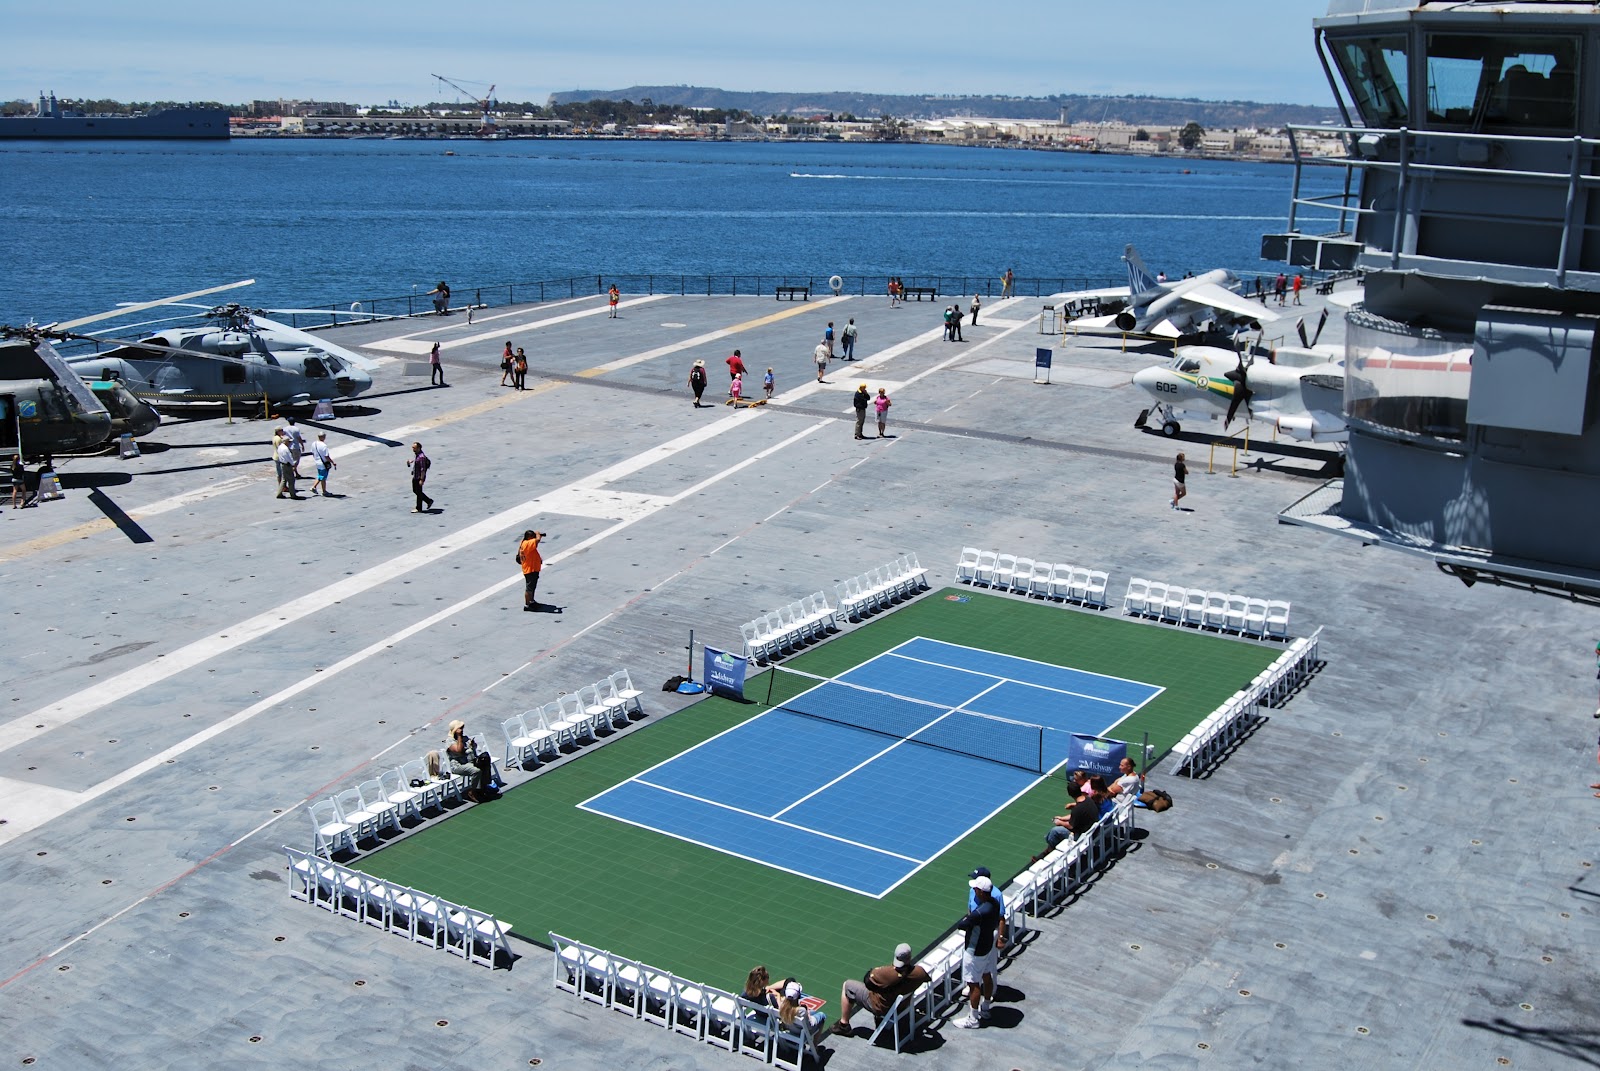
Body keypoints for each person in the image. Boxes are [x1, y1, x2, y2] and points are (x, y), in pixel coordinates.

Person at [837, 943, 930, 1039]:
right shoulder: (919, 973)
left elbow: (868, 981)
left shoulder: (888, 974)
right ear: (910, 957)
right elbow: (927, 978)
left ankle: (843, 1025)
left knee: (847, 985)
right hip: (901, 1006)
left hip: (880, 1006)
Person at [953, 875, 1000, 1027]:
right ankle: (985, 1008)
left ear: (981, 892)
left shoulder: (979, 913)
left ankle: (973, 1019)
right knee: (986, 976)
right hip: (987, 947)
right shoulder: (994, 903)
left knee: (973, 984)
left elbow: (962, 924)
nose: (973, 890)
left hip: (975, 951)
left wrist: (968, 919)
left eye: (975, 889)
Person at [445, 719, 493, 802]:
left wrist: (472, 745)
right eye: (459, 729)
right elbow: (459, 750)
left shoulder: (465, 738)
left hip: (470, 761)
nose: (462, 731)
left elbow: (472, 747)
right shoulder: (450, 741)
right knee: (476, 770)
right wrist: (459, 736)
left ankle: (482, 788)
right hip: (458, 765)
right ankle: (472, 791)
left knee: (485, 764)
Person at [517, 529, 544, 611]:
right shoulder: (527, 544)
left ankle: (531, 601)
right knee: (529, 588)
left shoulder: (524, 542)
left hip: (533, 568)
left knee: (532, 587)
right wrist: (538, 534)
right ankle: (527, 604)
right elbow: (537, 540)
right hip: (530, 569)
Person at [407, 441, 434, 513]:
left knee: (418, 492)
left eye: (414, 448)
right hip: (415, 475)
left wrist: (422, 479)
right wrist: (410, 462)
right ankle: (428, 501)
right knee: (416, 491)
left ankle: (419, 507)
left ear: (418, 448)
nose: (413, 449)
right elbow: (416, 462)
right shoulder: (417, 454)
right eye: (412, 448)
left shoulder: (421, 457)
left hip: (419, 477)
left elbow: (423, 469)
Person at [275, 431, 302, 500]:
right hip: (287, 465)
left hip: (282, 464)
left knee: (284, 480)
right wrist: (293, 464)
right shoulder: (286, 449)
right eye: (289, 441)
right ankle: (293, 494)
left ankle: (279, 493)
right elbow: (289, 458)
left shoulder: (280, 447)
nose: (290, 443)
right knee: (291, 480)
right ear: (286, 442)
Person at [310, 431, 336, 496]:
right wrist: (332, 462)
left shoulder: (314, 443)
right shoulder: (324, 446)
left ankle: (314, 487)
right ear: (323, 437)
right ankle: (324, 491)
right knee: (323, 478)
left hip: (317, 462)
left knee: (320, 475)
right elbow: (326, 456)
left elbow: (312, 453)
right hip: (323, 464)